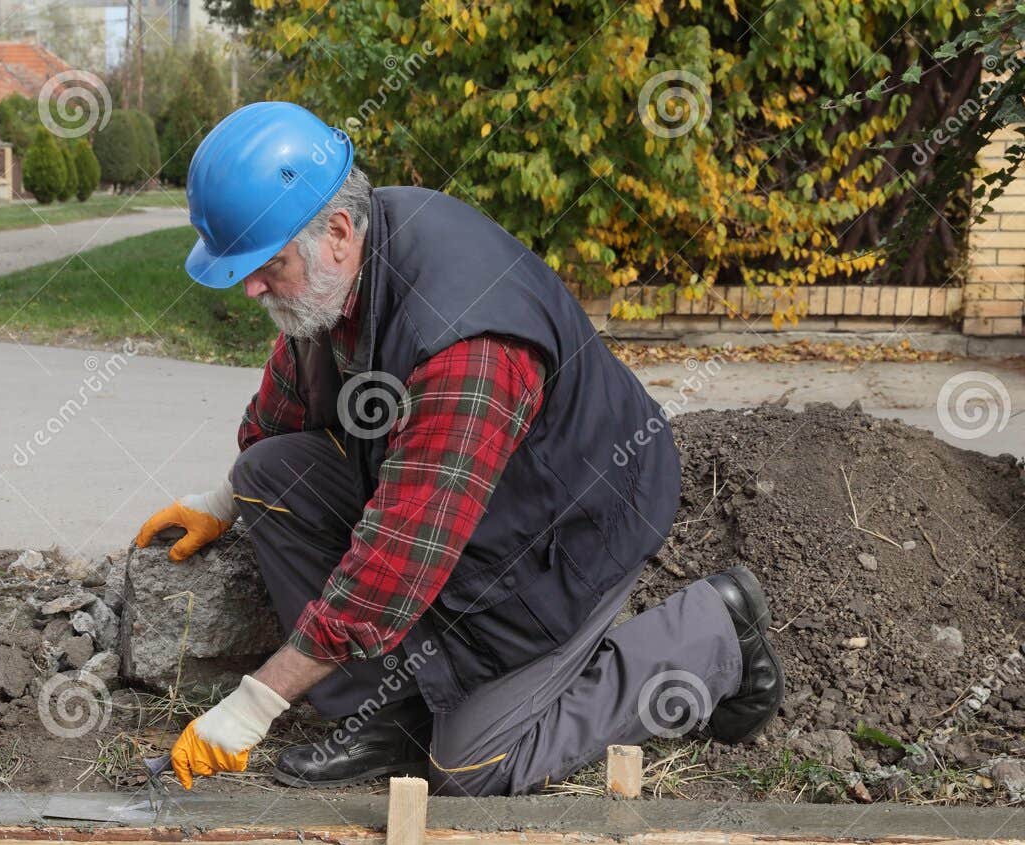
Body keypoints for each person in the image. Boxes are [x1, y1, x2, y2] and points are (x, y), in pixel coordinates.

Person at [135, 102, 783, 795]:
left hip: (566, 527)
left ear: (339, 233)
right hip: (465, 502)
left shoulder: (465, 344)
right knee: (268, 474)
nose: (252, 286)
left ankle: (711, 631)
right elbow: (289, 406)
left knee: (470, 765)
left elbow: (394, 565)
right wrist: (224, 499)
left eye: (268, 265)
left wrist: (254, 704)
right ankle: (386, 717)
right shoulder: (339, 270)